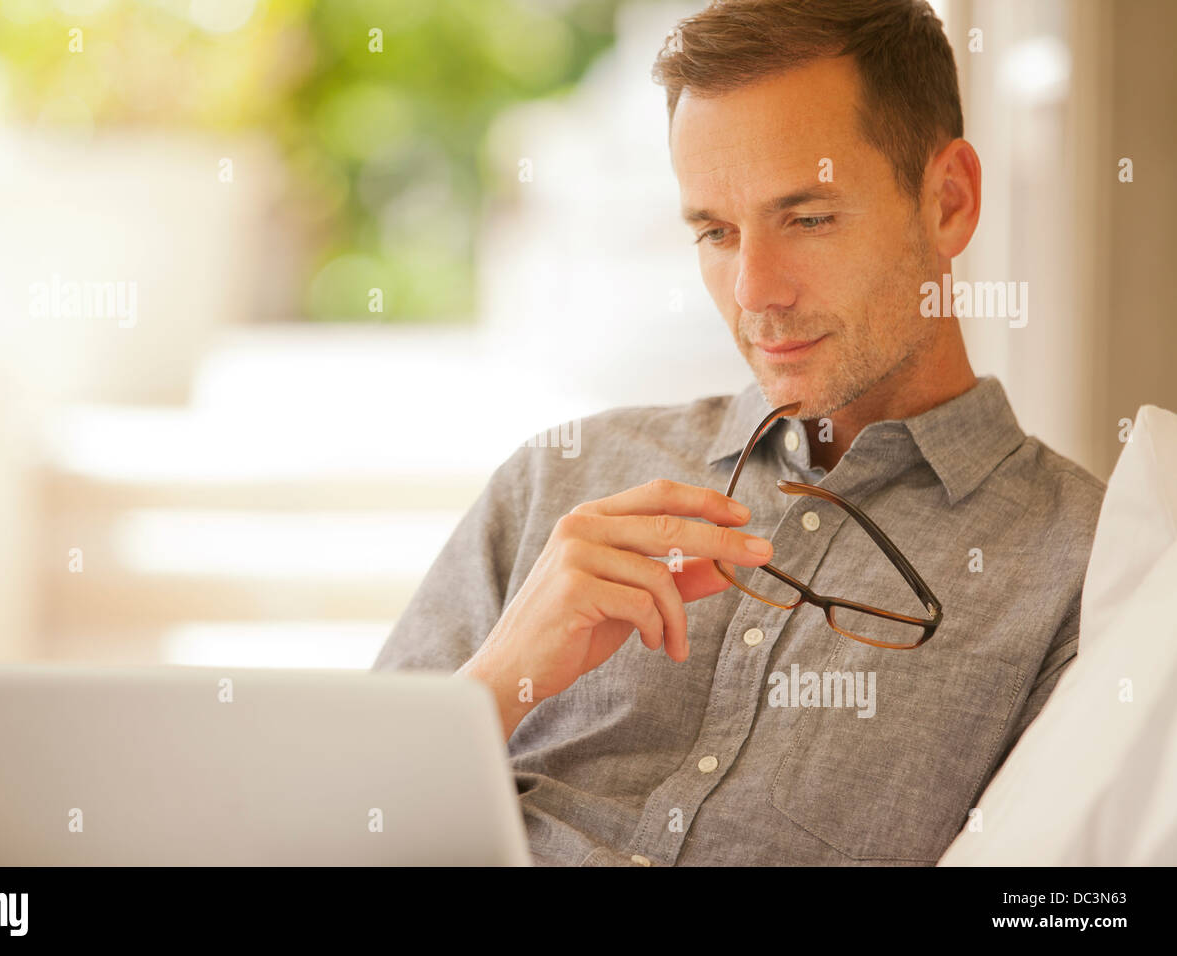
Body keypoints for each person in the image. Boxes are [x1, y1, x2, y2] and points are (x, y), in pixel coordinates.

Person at [373, 0, 1104, 866]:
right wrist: (495, 688)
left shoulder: (1088, 574)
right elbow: (314, 831)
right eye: (716, 232)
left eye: (808, 218)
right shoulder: (558, 484)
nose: (755, 290)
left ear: (948, 201)